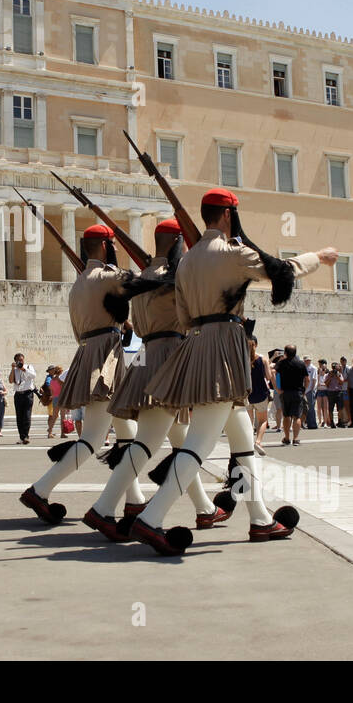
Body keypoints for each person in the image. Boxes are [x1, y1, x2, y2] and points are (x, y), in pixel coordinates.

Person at [127, 188, 335, 555]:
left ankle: (259, 518)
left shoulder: (187, 263)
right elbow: (281, 270)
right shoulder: (233, 255)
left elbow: (183, 314)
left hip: (198, 341)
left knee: (243, 445)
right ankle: (152, 517)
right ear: (227, 216)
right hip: (224, 348)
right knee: (200, 442)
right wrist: (317, 257)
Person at [83, 218, 231, 540]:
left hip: (147, 354)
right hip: (169, 356)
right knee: (149, 442)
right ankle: (104, 507)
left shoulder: (142, 277)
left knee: (181, 439)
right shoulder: (174, 276)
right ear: (179, 242)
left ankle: (204, 508)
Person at [20, 224, 151, 525]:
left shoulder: (78, 284)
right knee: (92, 438)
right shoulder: (109, 276)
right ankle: (40, 490)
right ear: (106, 247)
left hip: (90, 349)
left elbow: (83, 327)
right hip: (106, 355)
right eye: (113, 246)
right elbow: (143, 282)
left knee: (126, 436)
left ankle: (134, 500)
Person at [276, 346, 310, 446]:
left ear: (285, 353)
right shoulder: (301, 364)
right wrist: (304, 390)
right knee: (297, 416)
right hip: (297, 392)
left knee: (286, 416)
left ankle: (287, 438)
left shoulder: (281, 363)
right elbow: (307, 379)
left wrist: (276, 387)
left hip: (285, 392)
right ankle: (295, 439)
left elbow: (273, 372)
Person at [247, 335, 274, 454]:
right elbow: (268, 376)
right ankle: (258, 442)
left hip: (247, 394)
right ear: (256, 345)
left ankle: (247, 444)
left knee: (249, 421)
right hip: (261, 394)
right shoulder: (263, 359)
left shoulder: (242, 359)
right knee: (263, 420)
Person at [8, 353, 37, 444]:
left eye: (22, 360)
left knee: (27, 415)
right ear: (15, 361)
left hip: (28, 394)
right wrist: (13, 369)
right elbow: (11, 381)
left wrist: (23, 369)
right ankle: (22, 437)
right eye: (18, 360)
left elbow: (33, 376)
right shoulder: (15, 370)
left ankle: (26, 436)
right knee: (19, 416)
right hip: (18, 395)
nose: (20, 361)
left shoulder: (29, 366)